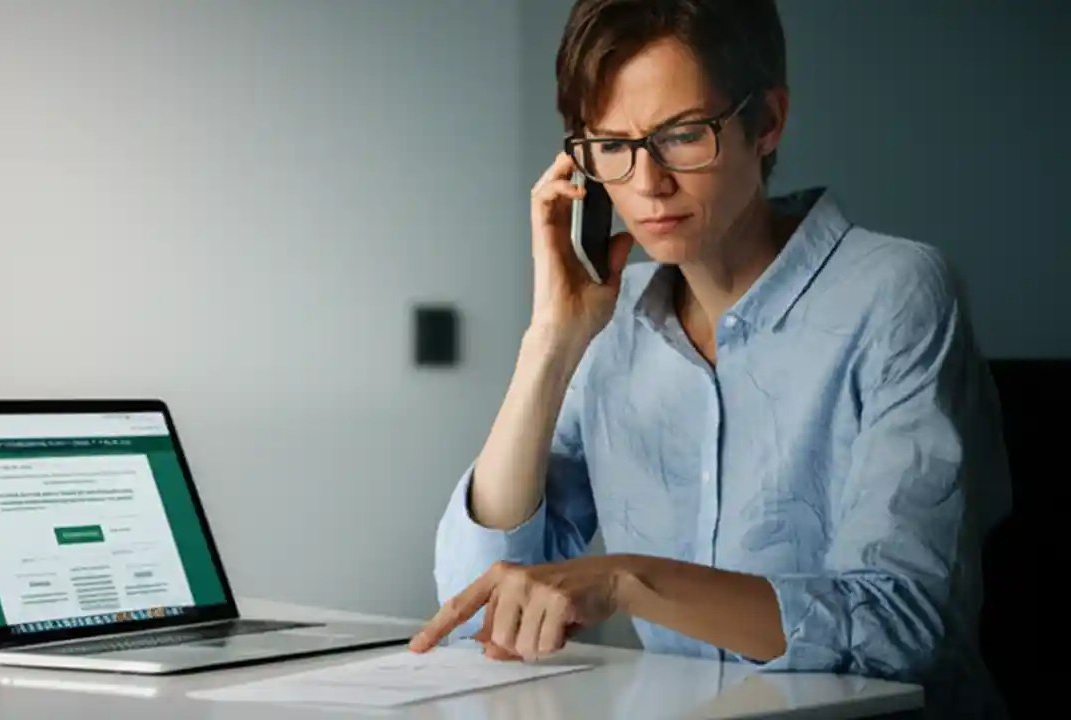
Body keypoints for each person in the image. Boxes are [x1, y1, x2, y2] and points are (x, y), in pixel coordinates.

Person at [406, 1, 1012, 717]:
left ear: (769, 122)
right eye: (611, 145)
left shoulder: (895, 292)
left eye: (684, 135)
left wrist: (626, 580)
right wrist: (550, 341)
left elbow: (900, 628)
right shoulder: (614, 326)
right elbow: (476, 608)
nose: (647, 183)